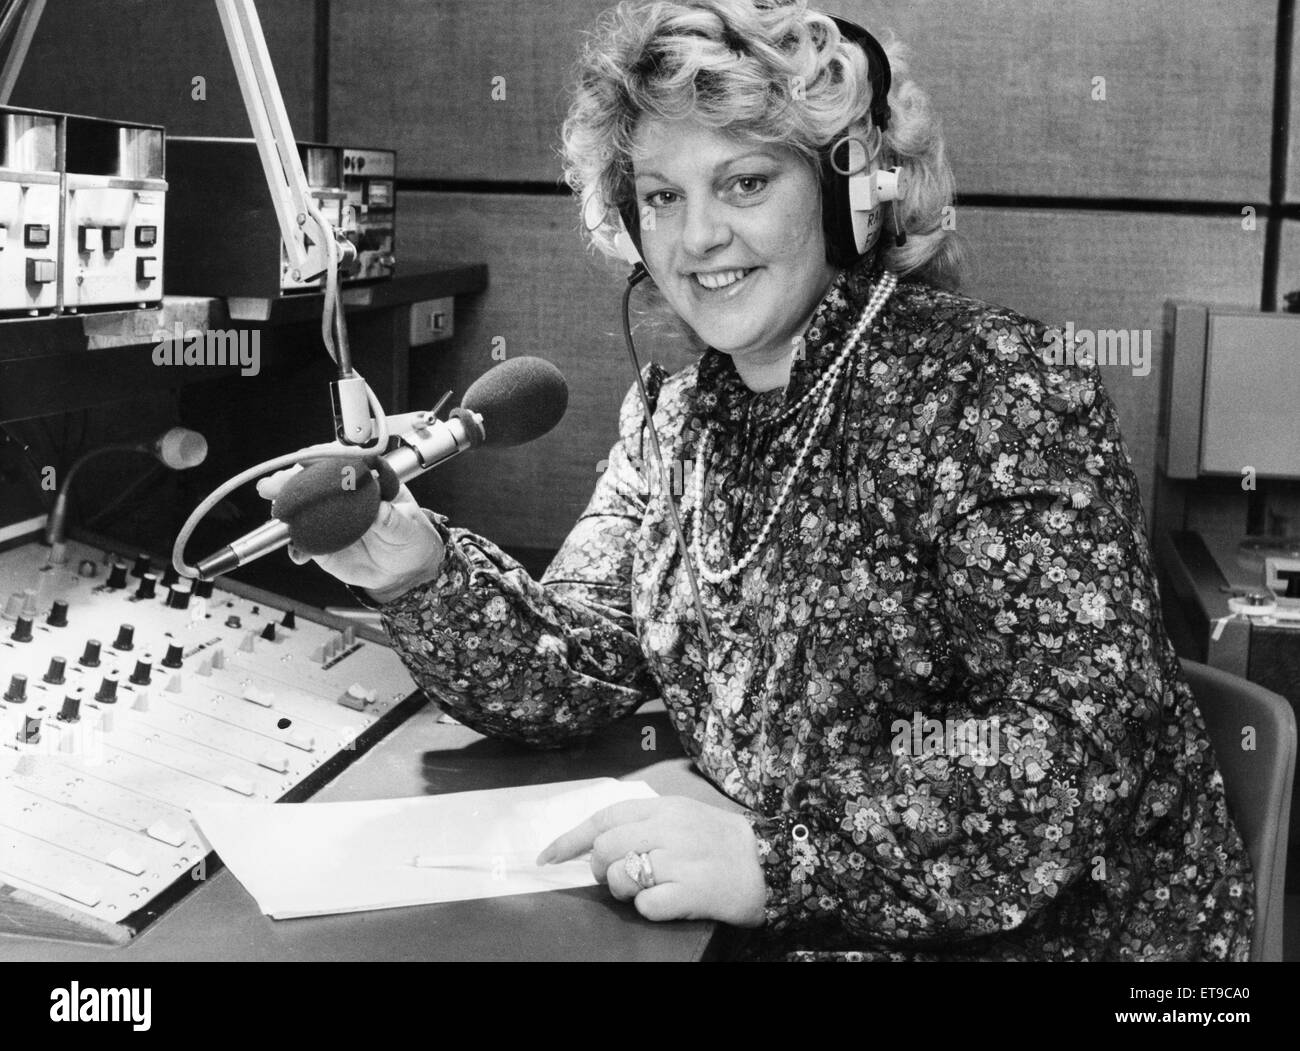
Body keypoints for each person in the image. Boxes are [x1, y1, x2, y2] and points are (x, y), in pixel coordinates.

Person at [259, 0, 1254, 960]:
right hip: (793, 920)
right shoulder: (674, 416)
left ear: (850, 194)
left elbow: (1070, 752)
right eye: (660, 195)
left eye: (742, 183)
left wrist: (775, 863)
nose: (695, 239)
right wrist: (416, 570)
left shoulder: (1000, 394)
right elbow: (578, 669)